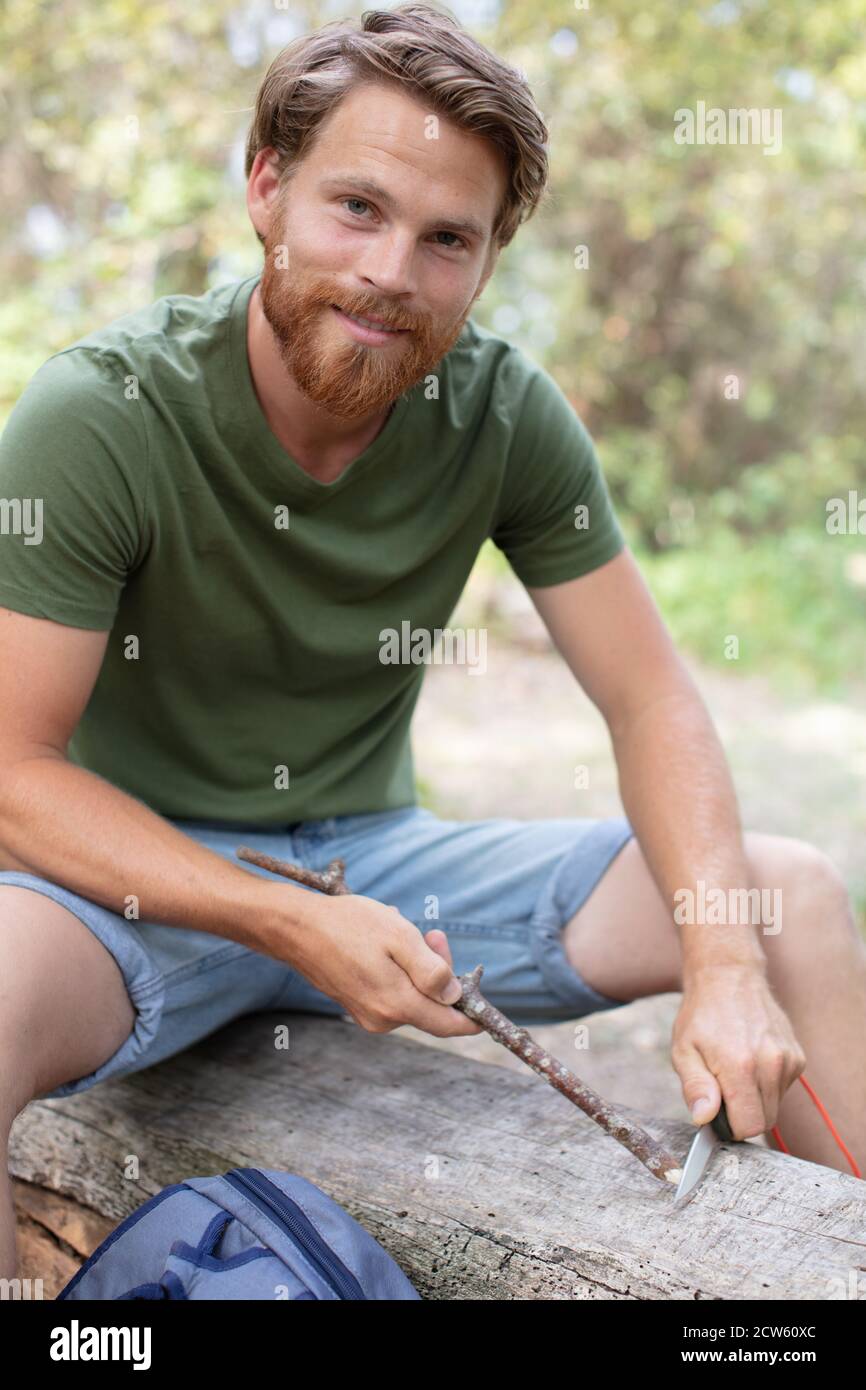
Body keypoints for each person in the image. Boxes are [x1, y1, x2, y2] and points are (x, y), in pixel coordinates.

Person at [0, 4, 863, 1280]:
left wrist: (721, 966)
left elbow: (651, 703)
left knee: (780, 899)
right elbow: (14, 769)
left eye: (446, 238)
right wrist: (279, 923)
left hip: (378, 866)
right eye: (356, 207)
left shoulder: (502, 412)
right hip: (133, 888)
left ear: (485, 261)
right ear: (266, 189)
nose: (392, 272)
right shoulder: (101, 414)